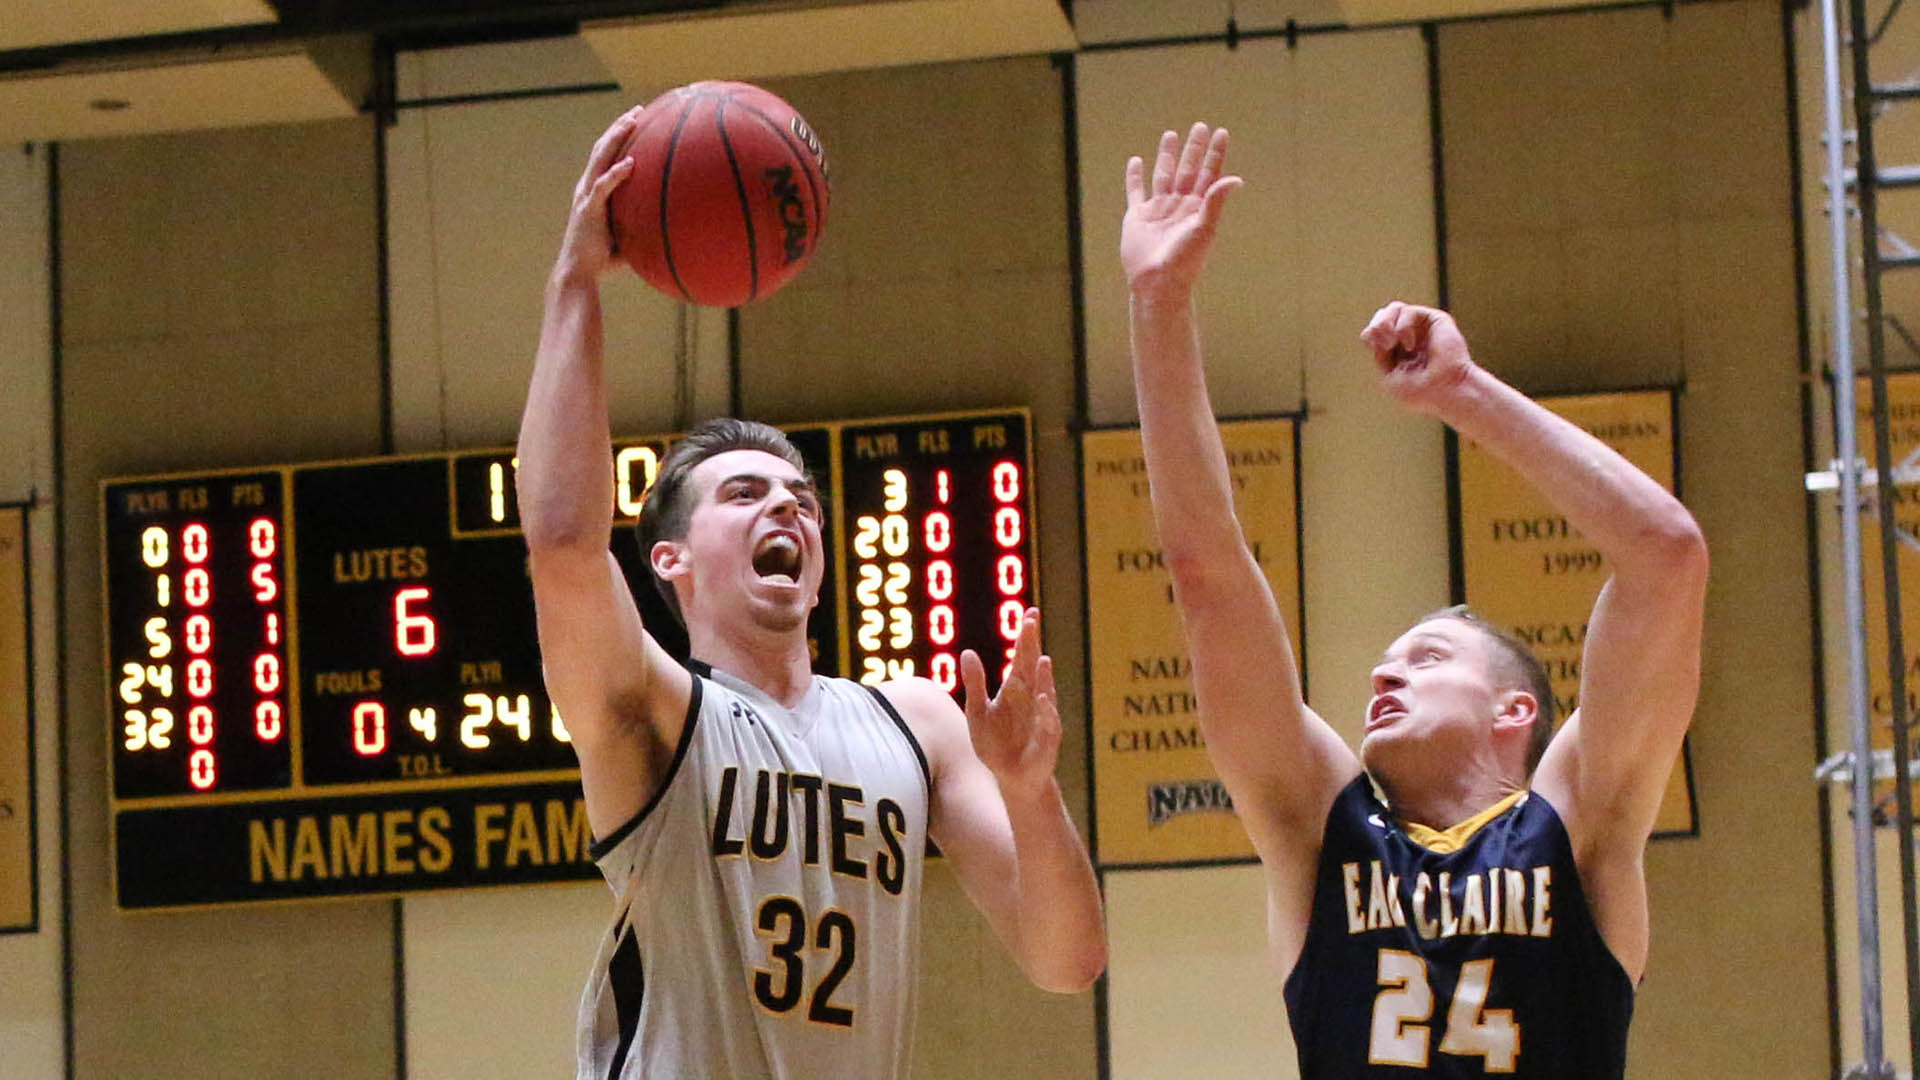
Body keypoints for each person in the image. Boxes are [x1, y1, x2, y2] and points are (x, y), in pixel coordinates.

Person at [519, 107, 1107, 1080]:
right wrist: (575, 280)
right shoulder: (657, 714)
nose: (784, 510)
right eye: (743, 494)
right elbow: (563, 540)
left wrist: (1032, 795)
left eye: (800, 499)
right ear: (670, 560)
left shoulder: (915, 723)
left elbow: (1068, 959)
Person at [1121, 122, 1707, 1078]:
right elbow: (1207, 572)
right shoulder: (1323, 827)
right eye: (1387, 660)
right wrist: (1156, 301)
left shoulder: (1579, 823)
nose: (1387, 670)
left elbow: (1667, 557)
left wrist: (1465, 391)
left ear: (1517, 709)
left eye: (1427, 657)